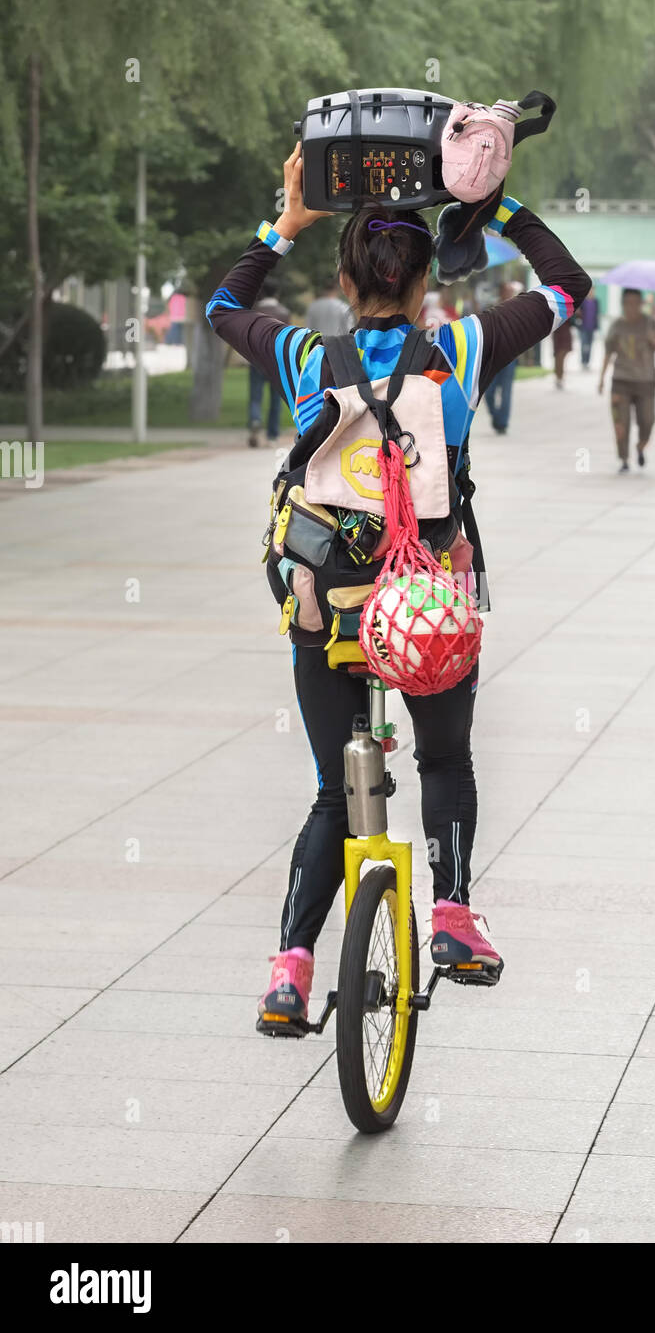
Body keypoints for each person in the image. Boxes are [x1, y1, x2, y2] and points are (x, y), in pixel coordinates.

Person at [206, 144, 591, 1027]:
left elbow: (225, 306)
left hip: (327, 606)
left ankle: (289, 972)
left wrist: (285, 222)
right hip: (422, 616)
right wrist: (491, 207)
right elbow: (570, 288)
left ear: (345, 279)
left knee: (331, 794)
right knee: (445, 759)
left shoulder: (305, 357)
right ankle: (452, 916)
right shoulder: (459, 347)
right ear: (424, 283)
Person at [598, 289, 655, 472]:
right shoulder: (617, 325)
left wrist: (653, 340)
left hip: (646, 381)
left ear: (641, 304)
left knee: (648, 420)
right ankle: (624, 459)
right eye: (628, 303)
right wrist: (601, 379)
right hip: (621, 380)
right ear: (623, 304)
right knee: (620, 422)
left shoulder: (649, 323)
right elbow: (608, 352)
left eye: (636, 303)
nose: (632, 307)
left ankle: (641, 446)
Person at [246, 278, 291, 446]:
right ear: (276, 292)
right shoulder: (284, 312)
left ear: (262, 292)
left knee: (255, 396)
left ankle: (255, 420)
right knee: (275, 399)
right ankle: (272, 435)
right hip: (276, 360)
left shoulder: (253, 311)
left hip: (256, 358)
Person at [483, 281, 520, 433]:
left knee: (506, 392)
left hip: (510, 358)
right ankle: (496, 417)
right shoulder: (492, 310)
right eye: (507, 291)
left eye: (511, 291)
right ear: (501, 293)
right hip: (492, 357)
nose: (509, 294)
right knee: (489, 392)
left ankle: (502, 423)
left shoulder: (518, 311)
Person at [552, 309, 577, 388]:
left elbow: (573, 321)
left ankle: (559, 376)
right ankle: (559, 377)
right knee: (559, 355)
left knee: (561, 355)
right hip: (559, 332)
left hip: (564, 331)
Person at [578, 287, 599, 369]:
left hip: (592, 327)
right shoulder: (583, 301)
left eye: (593, 291)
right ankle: (583, 361)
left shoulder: (596, 301)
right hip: (583, 327)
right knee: (584, 345)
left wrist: (597, 326)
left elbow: (597, 315)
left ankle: (587, 361)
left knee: (590, 345)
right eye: (590, 291)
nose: (591, 292)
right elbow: (579, 313)